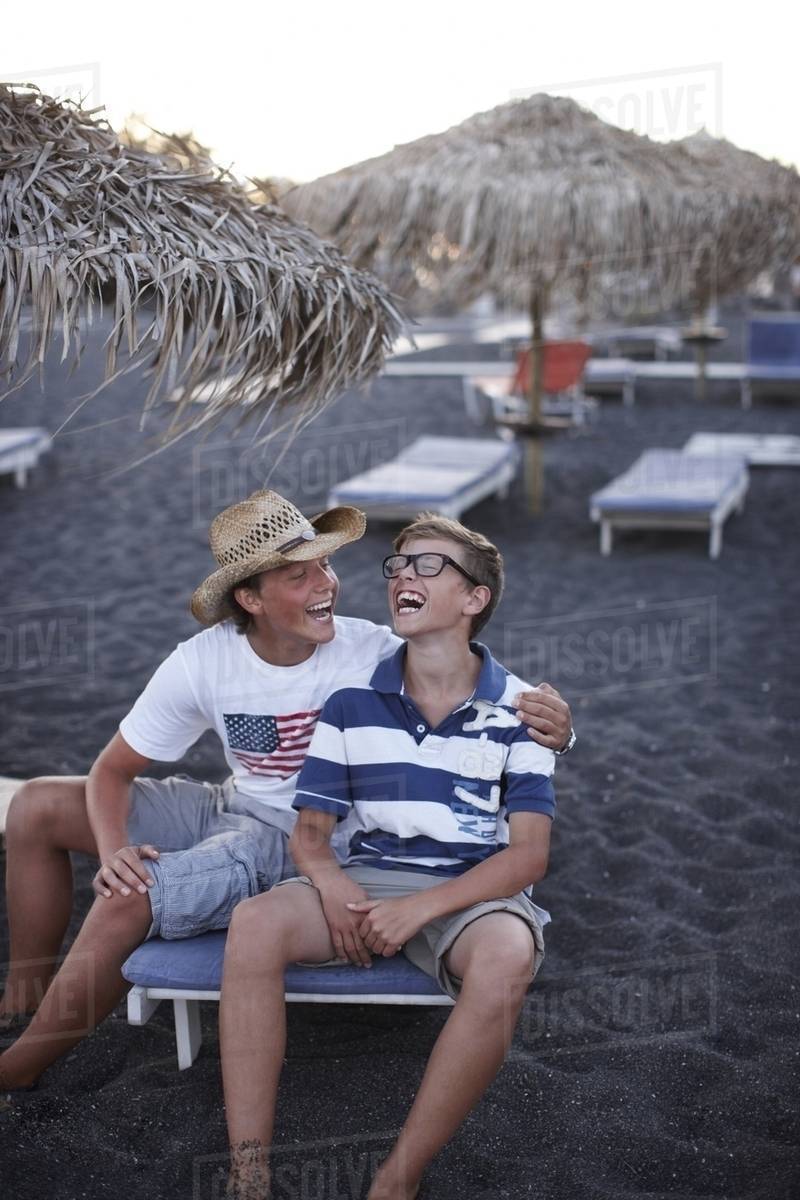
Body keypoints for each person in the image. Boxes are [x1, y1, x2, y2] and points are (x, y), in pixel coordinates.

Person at [0, 492, 573, 1093]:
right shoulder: (202, 661)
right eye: (300, 575)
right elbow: (111, 770)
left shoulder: (372, 649)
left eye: (326, 565)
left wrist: (562, 730)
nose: (327, 584)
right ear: (250, 598)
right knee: (36, 805)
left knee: (138, 892)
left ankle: (22, 1062)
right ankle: (24, 992)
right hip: (231, 802)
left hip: (294, 834)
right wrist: (114, 848)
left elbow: (478, 680)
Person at [220, 514, 557, 1200]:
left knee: (508, 956)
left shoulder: (522, 712)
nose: (403, 574)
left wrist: (419, 910)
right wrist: (337, 888)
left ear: (474, 599)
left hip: (472, 889)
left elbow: (527, 859)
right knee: (255, 922)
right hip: (370, 876)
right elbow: (310, 836)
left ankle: (398, 1178)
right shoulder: (351, 705)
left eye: (429, 566)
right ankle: (249, 1165)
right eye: (399, 565)